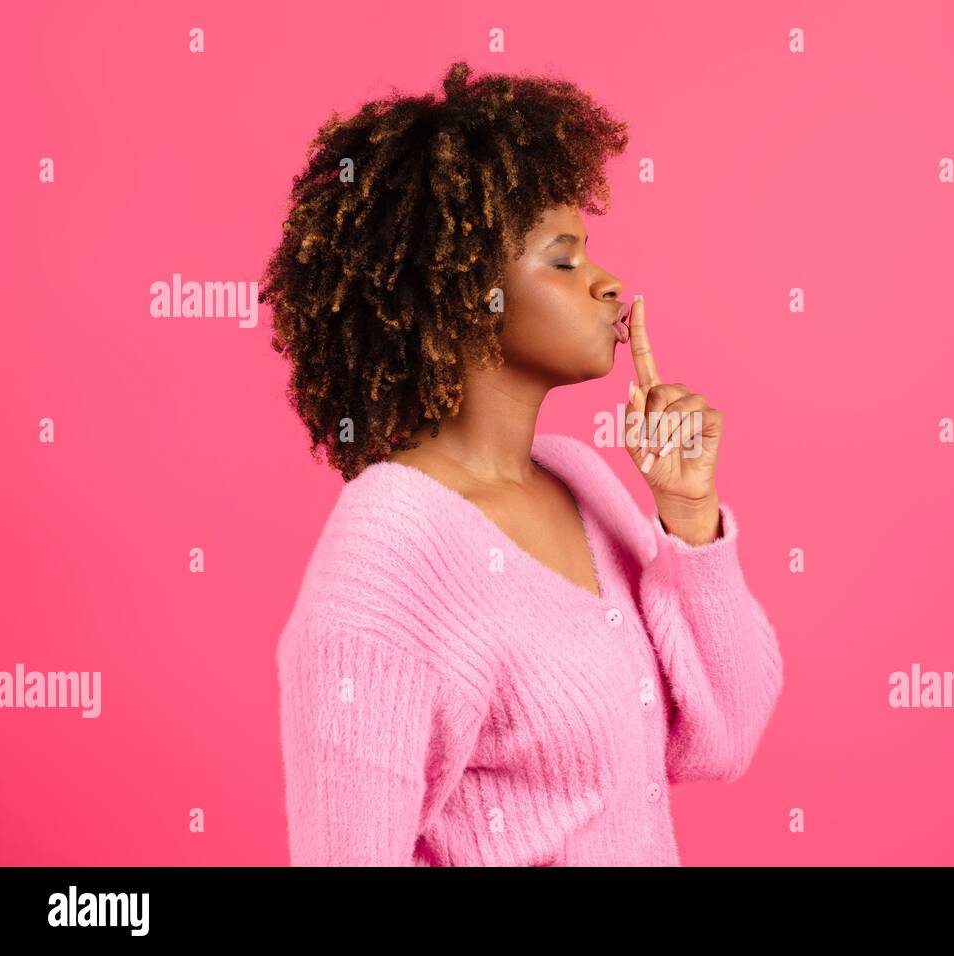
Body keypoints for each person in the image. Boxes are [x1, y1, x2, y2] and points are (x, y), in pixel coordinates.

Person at [260, 60, 784, 866]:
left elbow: (723, 738)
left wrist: (689, 515)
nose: (609, 284)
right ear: (465, 290)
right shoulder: (387, 555)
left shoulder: (579, 479)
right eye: (565, 260)